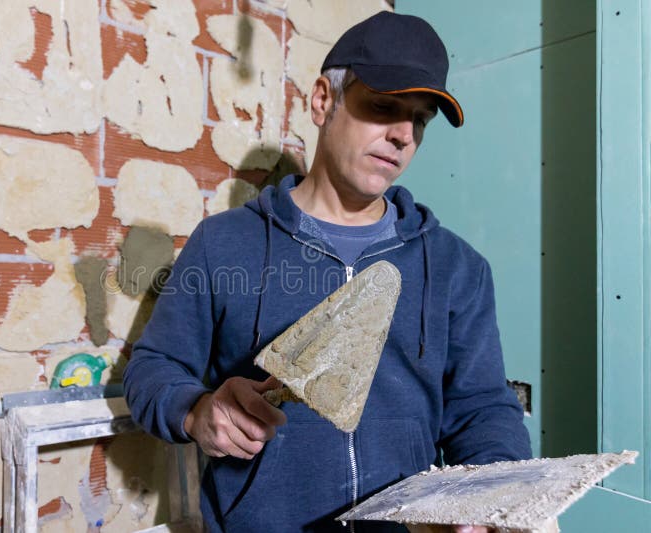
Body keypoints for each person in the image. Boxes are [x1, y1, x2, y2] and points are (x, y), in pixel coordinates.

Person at [123, 10, 531, 533]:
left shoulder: (456, 266)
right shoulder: (224, 244)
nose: (403, 135)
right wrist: (196, 409)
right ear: (323, 100)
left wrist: (491, 495)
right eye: (384, 107)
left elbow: (482, 408)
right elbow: (153, 367)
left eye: (419, 120)